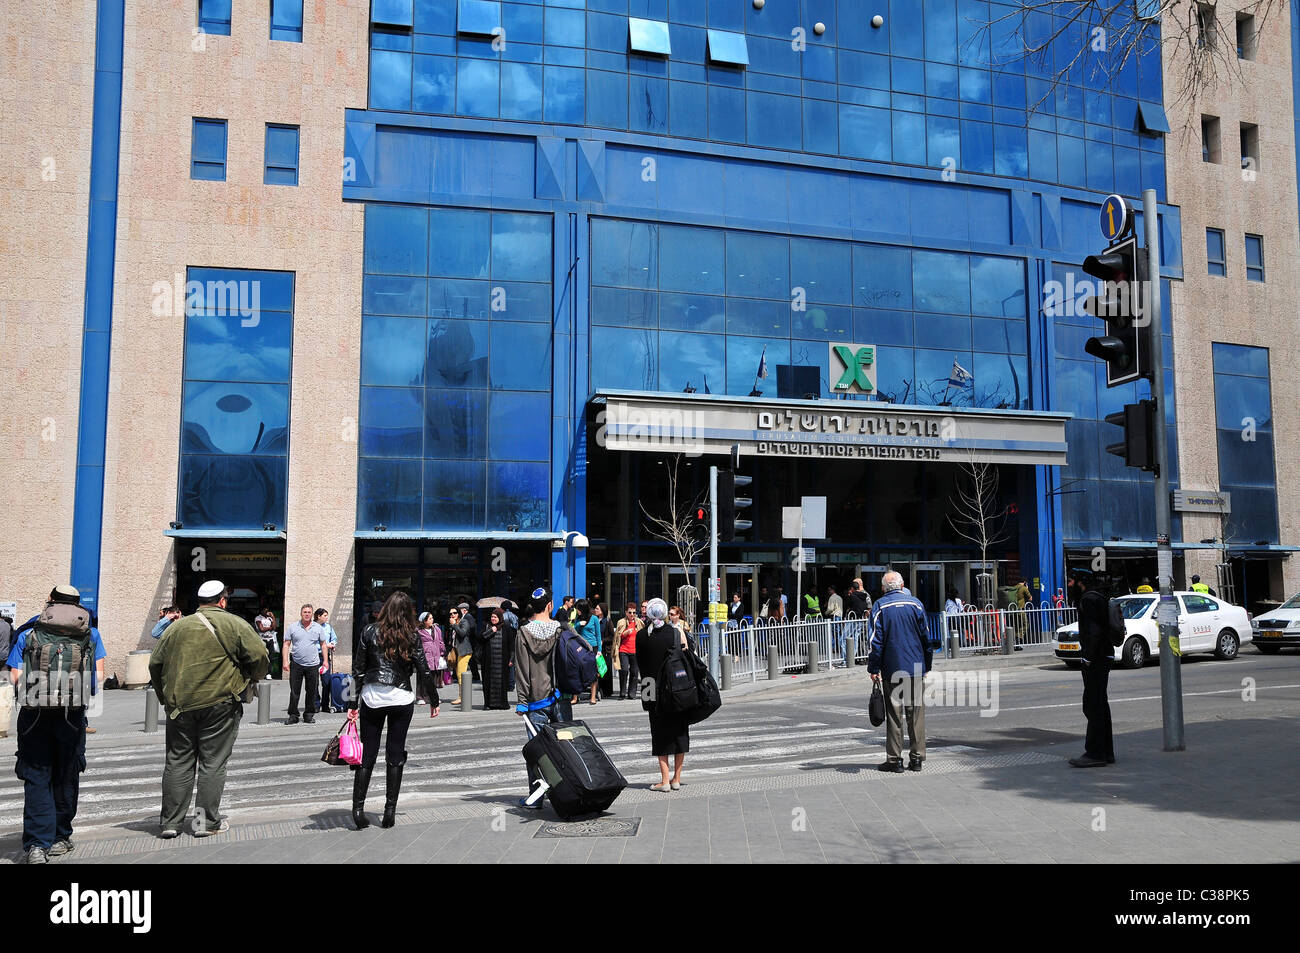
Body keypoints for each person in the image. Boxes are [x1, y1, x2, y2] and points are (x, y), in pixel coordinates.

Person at [150, 580, 268, 838]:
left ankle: (170, 823)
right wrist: (250, 677)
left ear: (199, 602)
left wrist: (165, 697)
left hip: (180, 706)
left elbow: (155, 664)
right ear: (223, 601)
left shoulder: (177, 627)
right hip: (220, 704)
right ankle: (205, 824)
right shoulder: (235, 624)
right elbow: (260, 658)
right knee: (212, 763)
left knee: (177, 761)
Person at [8, 585, 98, 863]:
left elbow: (14, 677)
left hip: (34, 714)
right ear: (78, 605)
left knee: (37, 774)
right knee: (67, 772)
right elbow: (96, 681)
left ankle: (37, 844)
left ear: (49, 602)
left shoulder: (28, 631)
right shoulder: (89, 633)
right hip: (71, 715)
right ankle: (60, 837)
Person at [348, 591, 438, 829]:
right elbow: (424, 670)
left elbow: (357, 669)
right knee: (395, 754)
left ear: (386, 609)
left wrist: (351, 704)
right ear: (408, 611)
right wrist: (434, 700)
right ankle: (389, 812)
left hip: (372, 697)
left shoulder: (369, 631)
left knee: (367, 755)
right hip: (401, 696)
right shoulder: (412, 634)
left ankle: (358, 810)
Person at [867, 571, 931, 773]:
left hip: (891, 668)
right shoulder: (916, 604)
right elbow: (926, 639)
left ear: (884, 588)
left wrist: (873, 668)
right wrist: (927, 665)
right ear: (902, 586)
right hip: (915, 666)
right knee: (916, 714)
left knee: (894, 715)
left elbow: (875, 642)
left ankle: (895, 760)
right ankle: (917, 758)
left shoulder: (880, 606)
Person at [514, 587, 568, 809]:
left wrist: (522, 701)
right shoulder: (562, 629)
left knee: (537, 751)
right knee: (565, 747)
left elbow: (522, 669)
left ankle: (536, 798)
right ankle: (569, 792)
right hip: (561, 698)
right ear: (550, 606)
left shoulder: (523, 633)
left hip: (536, 701)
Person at [636, 599, 691, 792]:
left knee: (659, 733)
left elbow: (641, 664)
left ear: (649, 615)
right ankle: (677, 778)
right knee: (679, 732)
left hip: (651, 687)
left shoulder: (642, 636)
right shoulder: (675, 633)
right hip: (676, 689)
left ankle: (664, 780)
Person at [1071, 578, 1116, 768]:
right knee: (1100, 704)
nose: (1069, 585)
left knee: (1093, 705)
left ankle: (1095, 753)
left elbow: (1094, 631)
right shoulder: (1099, 597)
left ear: (1081, 582)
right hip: (1104, 655)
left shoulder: (1088, 600)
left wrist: (1087, 658)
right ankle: (1106, 752)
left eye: (1071, 582)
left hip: (1097, 658)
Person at [283, 604, 327, 724]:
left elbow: (323, 645)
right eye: (304, 612)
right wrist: (285, 661)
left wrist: (326, 662)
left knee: (312, 691)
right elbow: (286, 644)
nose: (307, 614)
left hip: (313, 664)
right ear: (301, 613)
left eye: (309, 612)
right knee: (294, 691)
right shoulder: (293, 627)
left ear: (312, 614)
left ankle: (308, 715)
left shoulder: (318, 628)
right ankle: (293, 715)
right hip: (296, 663)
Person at [480, 609, 511, 710]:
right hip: (489, 660)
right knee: (488, 681)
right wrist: (491, 631)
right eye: (492, 617)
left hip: (502, 660)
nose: (493, 619)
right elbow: (480, 638)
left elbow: (511, 643)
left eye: (495, 617)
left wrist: (512, 659)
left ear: (500, 618)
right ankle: (488, 704)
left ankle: (502, 704)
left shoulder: (506, 627)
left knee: (502, 681)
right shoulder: (487, 626)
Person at [415, 611, 445, 710]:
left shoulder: (437, 629)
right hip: (424, 657)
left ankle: (431, 697)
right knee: (422, 678)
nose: (432, 620)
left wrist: (442, 651)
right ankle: (420, 697)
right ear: (424, 621)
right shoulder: (418, 631)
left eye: (432, 618)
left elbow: (440, 641)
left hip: (435, 656)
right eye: (430, 618)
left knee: (433, 678)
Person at [574, 600, 602, 704]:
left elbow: (598, 635)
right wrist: (578, 625)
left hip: (592, 647)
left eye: (578, 609)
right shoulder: (578, 619)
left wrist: (599, 650)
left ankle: (593, 697)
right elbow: (573, 632)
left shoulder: (594, 618)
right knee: (577, 671)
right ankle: (575, 697)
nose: (577, 611)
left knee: (593, 672)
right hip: (581, 647)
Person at [615, 602, 642, 700]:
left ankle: (632, 693)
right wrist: (624, 633)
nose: (632, 615)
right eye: (630, 612)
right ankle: (622, 692)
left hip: (635, 650)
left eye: (634, 613)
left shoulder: (638, 622)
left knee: (634, 672)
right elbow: (617, 637)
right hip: (624, 650)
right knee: (624, 670)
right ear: (626, 612)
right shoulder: (621, 622)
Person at [448, 606, 473, 705]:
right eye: (450, 614)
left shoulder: (464, 622)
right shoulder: (453, 624)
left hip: (465, 651)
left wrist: (454, 625)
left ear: (459, 613)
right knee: (459, 673)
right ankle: (461, 696)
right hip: (457, 651)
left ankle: (462, 697)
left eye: (454, 613)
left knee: (460, 673)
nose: (452, 615)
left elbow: (462, 633)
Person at [315, 608, 338, 713]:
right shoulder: (312, 627)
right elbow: (311, 642)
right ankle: (316, 704)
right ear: (318, 616)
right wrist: (324, 645)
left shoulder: (328, 627)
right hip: (314, 656)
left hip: (325, 657)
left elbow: (334, 638)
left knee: (326, 681)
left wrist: (332, 644)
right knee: (314, 682)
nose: (326, 618)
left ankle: (325, 704)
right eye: (324, 616)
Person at [594, 602, 615, 699]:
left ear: (603, 611)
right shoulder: (594, 620)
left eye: (597, 609)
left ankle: (607, 691)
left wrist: (603, 641)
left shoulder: (607, 621)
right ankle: (598, 689)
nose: (595, 610)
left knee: (605, 669)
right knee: (597, 670)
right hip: (596, 649)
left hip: (605, 649)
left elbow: (612, 636)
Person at [501, 600, 520, 694]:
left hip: (505, 640)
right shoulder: (515, 616)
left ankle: (506, 682)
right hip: (514, 640)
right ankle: (512, 683)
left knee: (504, 660)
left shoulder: (503, 616)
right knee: (512, 661)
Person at [255, 606, 279, 679]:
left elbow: (274, 627)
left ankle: (268, 673)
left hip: (270, 639)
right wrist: (270, 628)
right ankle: (260, 672)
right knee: (262, 656)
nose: (267, 612)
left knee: (270, 657)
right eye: (265, 610)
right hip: (262, 639)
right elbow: (261, 628)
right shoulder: (258, 618)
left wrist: (273, 617)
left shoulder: (269, 618)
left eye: (267, 610)